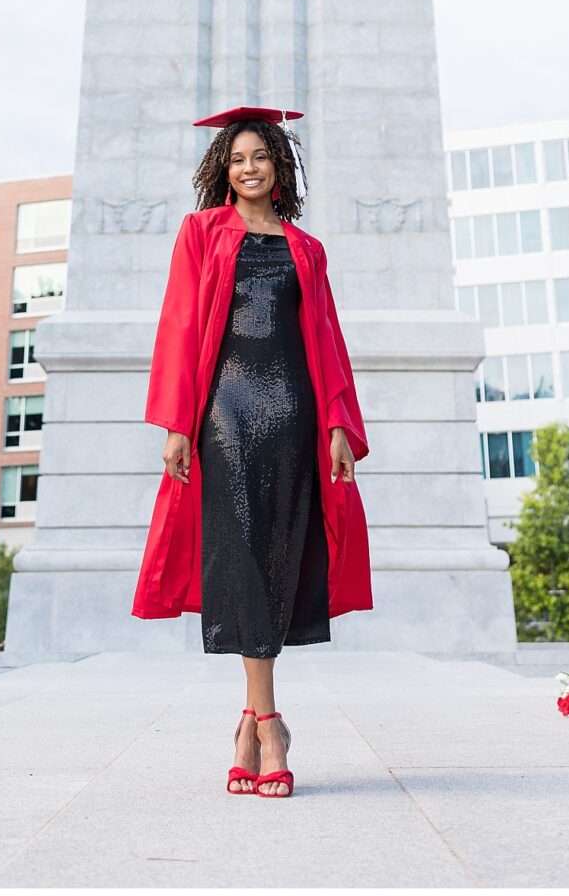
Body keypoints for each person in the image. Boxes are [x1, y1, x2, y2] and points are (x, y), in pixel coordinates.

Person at [131, 105, 372, 798]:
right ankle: (269, 724)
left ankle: (252, 721)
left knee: (276, 557)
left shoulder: (307, 249)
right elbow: (179, 326)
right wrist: (178, 424)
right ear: (223, 171)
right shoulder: (200, 234)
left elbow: (325, 341)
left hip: (294, 410)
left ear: (278, 165)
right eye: (237, 159)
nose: (248, 168)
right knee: (239, 554)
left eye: (259, 157)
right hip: (226, 413)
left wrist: (336, 427)